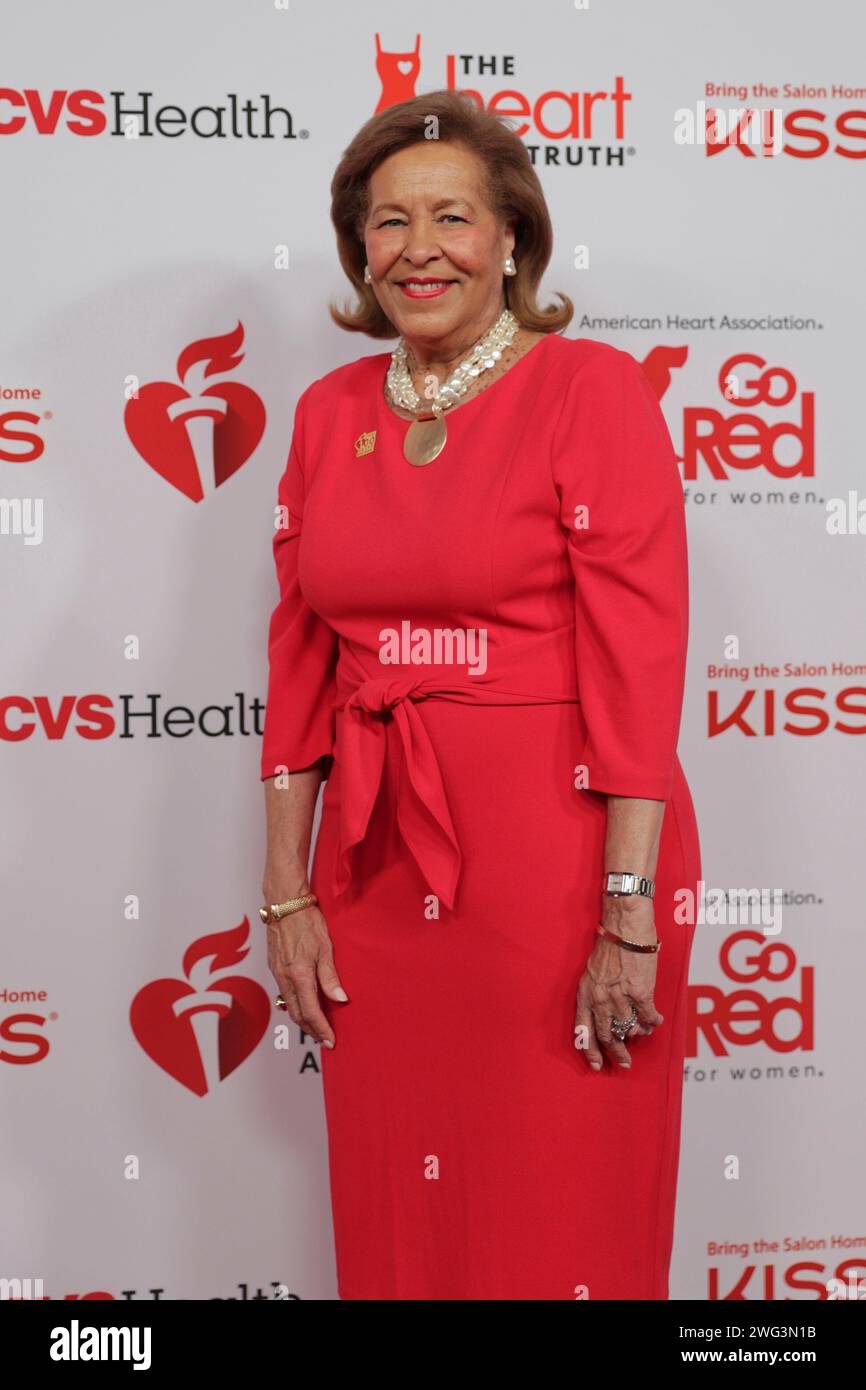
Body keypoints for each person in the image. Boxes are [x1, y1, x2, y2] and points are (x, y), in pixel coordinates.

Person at [259, 89, 701, 1301]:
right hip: (379, 859)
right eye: (386, 222)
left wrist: (625, 908)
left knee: (561, 1211)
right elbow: (300, 658)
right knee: (400, 1208)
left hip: (559, 861)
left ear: (512, 237)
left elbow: (636, 656)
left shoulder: (590, 390)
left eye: (452, 216)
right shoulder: (326, 412)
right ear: (358, 249)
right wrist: (286, 891)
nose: (418, 249)